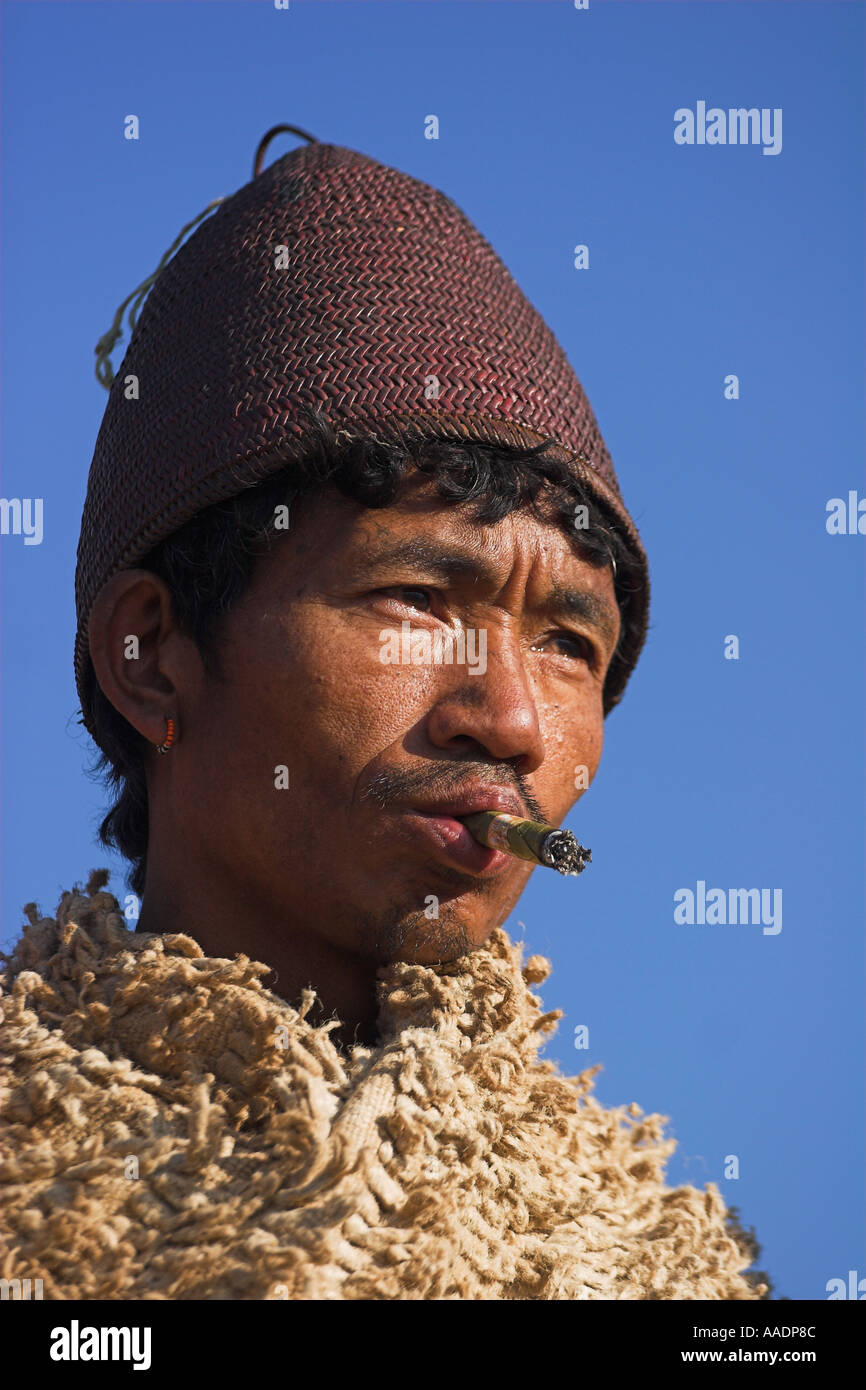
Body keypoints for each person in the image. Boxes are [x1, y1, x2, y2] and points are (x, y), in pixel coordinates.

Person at [0, 126, 766, 1300]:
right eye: (414, 600)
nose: (511, 721)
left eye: (568, 645)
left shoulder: (672, 1270)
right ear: (149, 655)